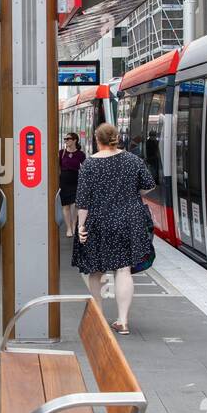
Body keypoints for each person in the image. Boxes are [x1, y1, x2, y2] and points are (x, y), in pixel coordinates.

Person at [72, 122, 156, 336]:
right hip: (128, 219)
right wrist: (132, 195)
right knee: (123, 269)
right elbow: (148, 185)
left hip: (98, 220)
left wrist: (81, 226)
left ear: (97, 139)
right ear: (116, 138)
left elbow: (83, 201)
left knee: (96, 269)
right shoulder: (133, 160)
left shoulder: (89, 165)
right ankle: (123, 321)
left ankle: (99, 317)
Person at [59, 132, 86, 239]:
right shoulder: (61, 153)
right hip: (64, 181)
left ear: (75, 140)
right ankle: (68, 228)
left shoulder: (80, 154)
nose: (66, 140)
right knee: (65, 206)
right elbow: (58, 168)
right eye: (65, 139)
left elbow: (85, 168)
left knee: (75, 205)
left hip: (76, 180)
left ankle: (74, 225)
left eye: (68, 139)